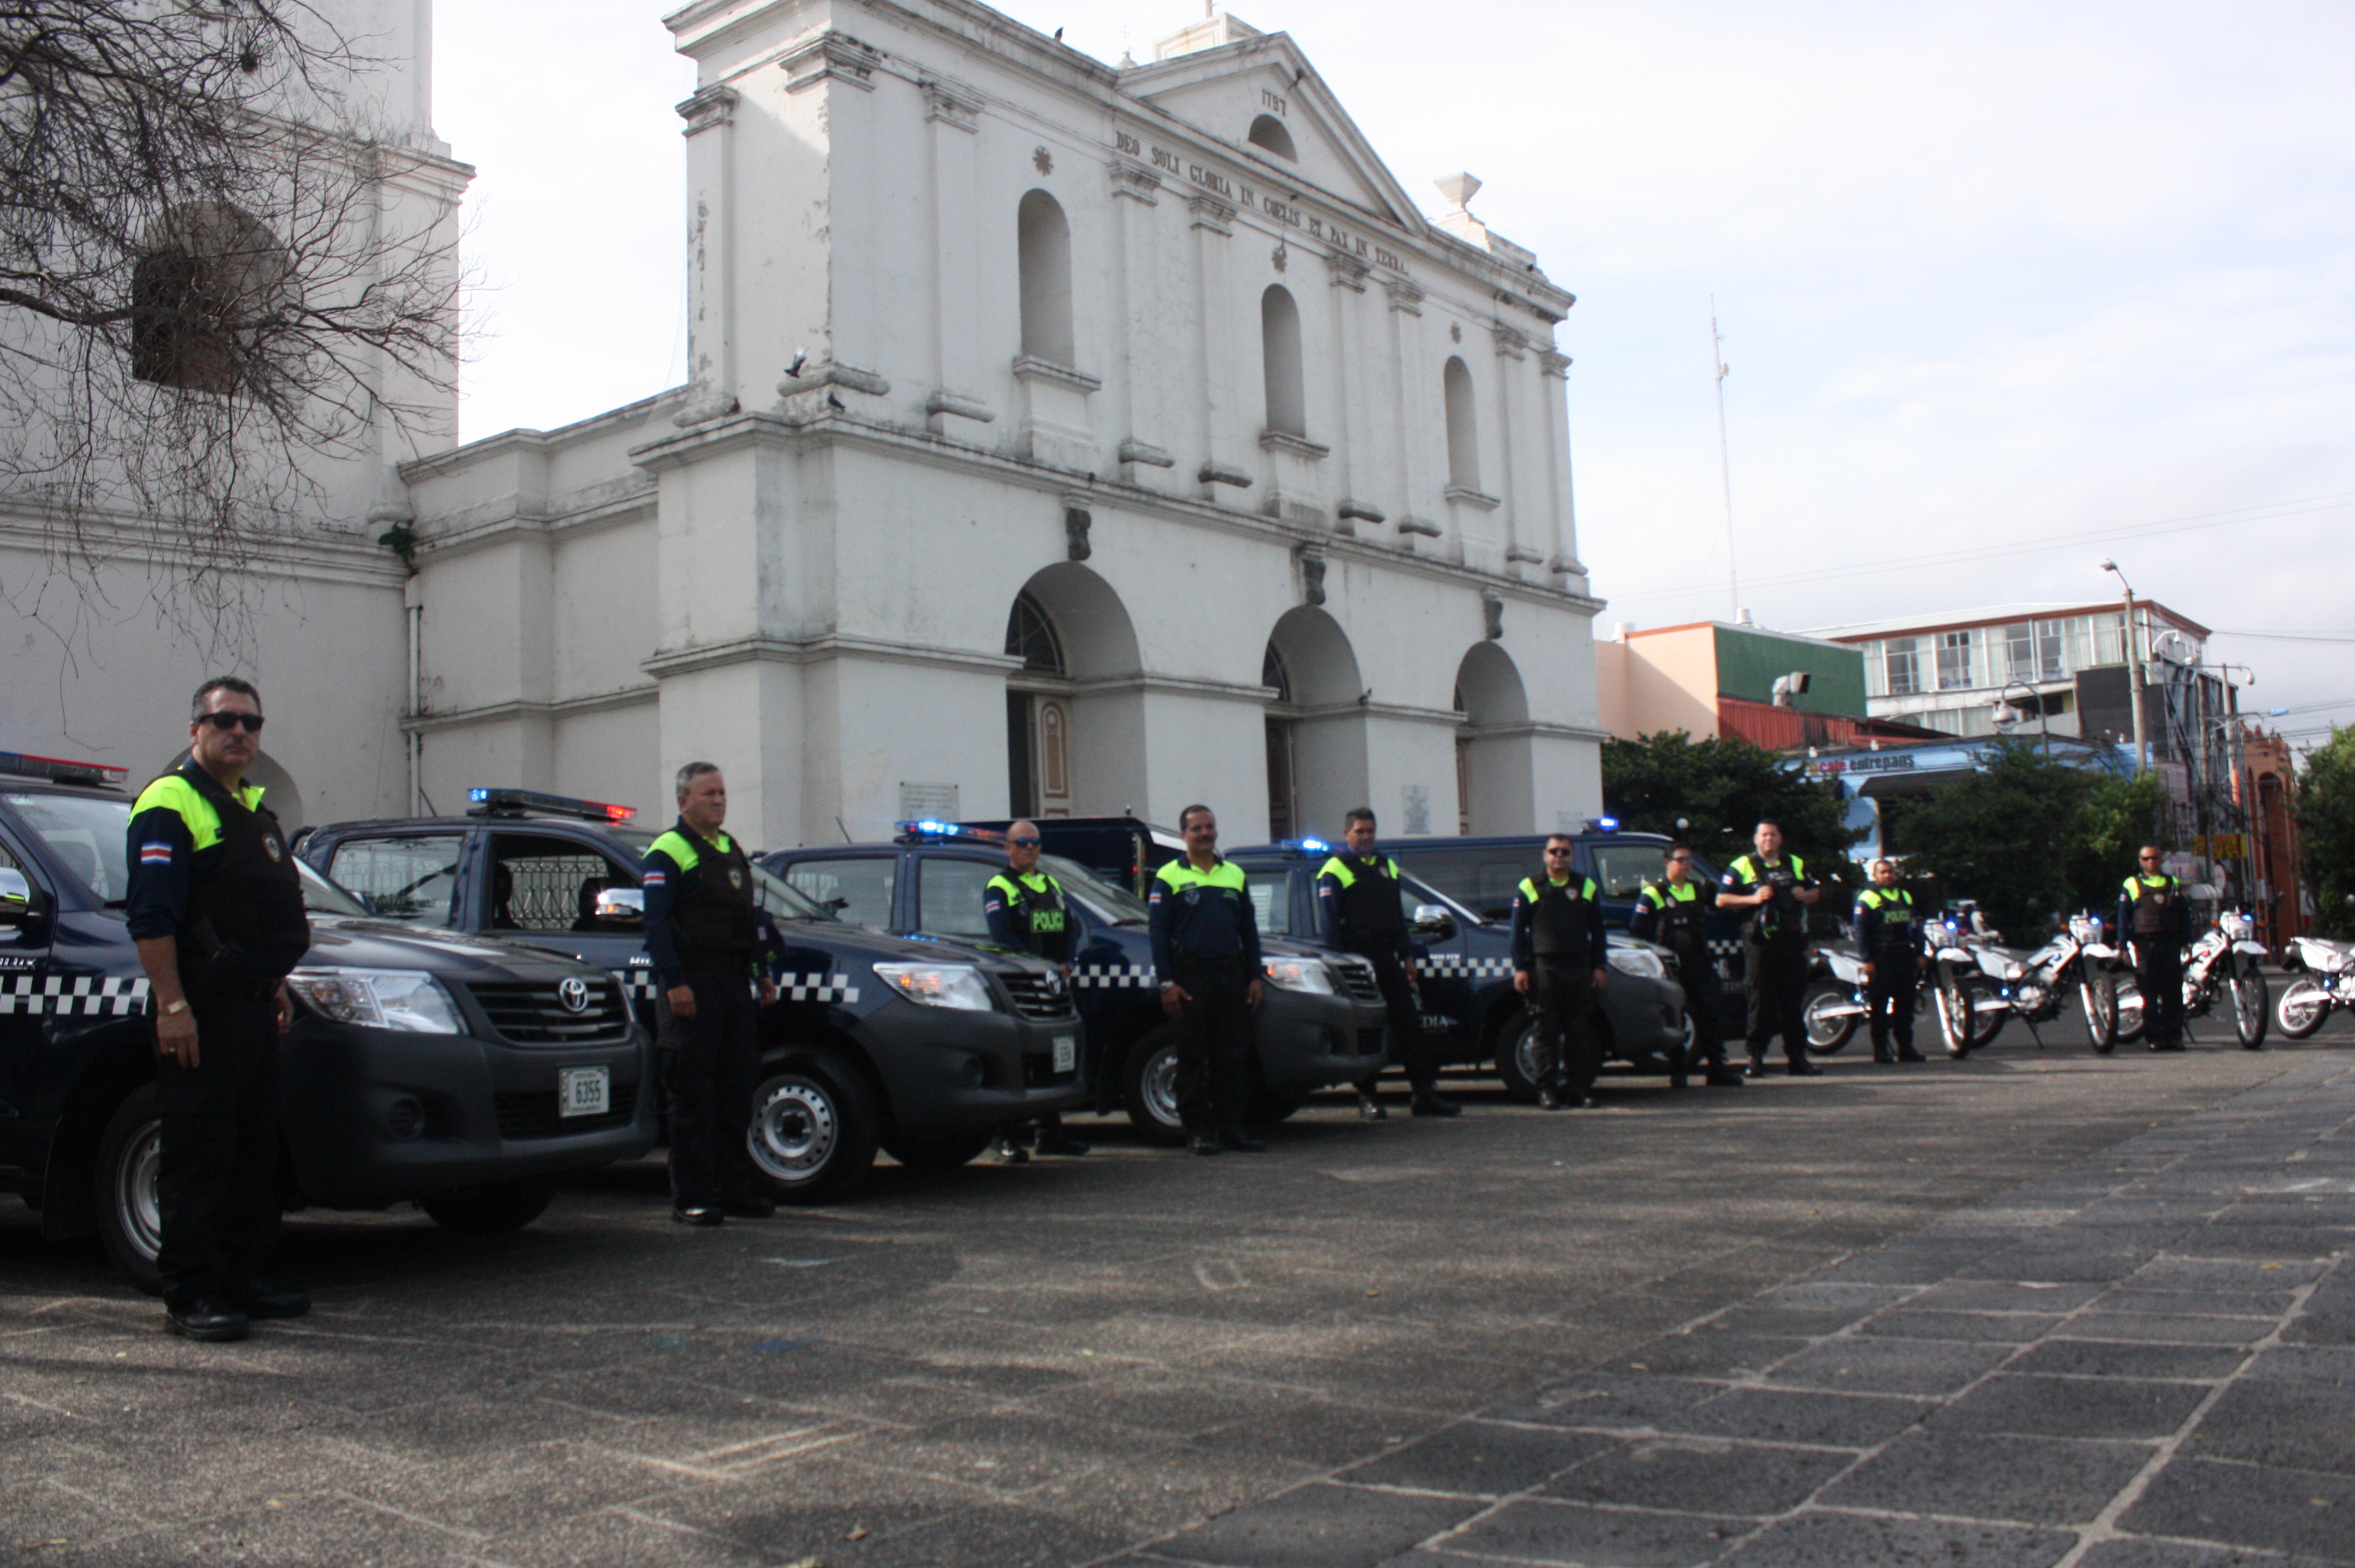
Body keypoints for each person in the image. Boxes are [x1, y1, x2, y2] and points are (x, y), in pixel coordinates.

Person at [125, 677, 313, 1341]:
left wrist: (277, 986)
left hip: (255, 1008)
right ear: (195, 730)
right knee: (199, 1154)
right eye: (225, 720)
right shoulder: (169, 801)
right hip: (201, 1009)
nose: (240, 732)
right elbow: (151, 917)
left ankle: (241, 1278)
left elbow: (261, 916)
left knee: (252, 1153)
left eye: (251, 722)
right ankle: (192, 1292)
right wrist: (172, 1005)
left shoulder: (255, 810)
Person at [641, 762, 779, 1225]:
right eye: (708, 795)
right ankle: (692, 1196)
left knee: (736, 1091)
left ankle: (734, 1189)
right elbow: (657, 924)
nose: (719, 801)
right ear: (683, 801)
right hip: (692, 984)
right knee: (693, 1094)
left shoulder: (729, 848)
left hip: (732, 983)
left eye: (722, 793)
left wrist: (760, 971)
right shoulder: (669, 850)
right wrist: (675, 981)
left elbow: (747, 919)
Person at [1316, 808, 1460, 1119]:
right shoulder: (1335, 869)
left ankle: (1424, 1095)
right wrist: (1342, 966)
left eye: (1370, 831)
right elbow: (1330, 925)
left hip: (1388, 958)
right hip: (1357, 961)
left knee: (1409, 1027)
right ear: (1347, 834)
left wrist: (1407, 954)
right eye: (1359, 832)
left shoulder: (1386, 866)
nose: (1366, 837)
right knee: (1365, 1031)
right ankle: (1368, 1098)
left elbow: (1397, 915)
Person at [1150, 805, 1264, 1155]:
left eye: (1209, 827)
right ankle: (1198, 1131)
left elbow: (1249, 929)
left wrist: (1255, 977)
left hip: (1231, 975)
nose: (1205, 833)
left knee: (1232, 1056)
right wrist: (1167, 982)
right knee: (1193, 1057)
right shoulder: (1168, 876)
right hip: (1191, 977)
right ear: (1183, 836)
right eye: (1196, 828)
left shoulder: (1234, 875)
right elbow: (1157, 932)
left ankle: (1232, 1128)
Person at [984, 821, 1088, 1159]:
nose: (1030, 847)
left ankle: (1051, 1134)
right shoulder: (999, 886)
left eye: (1035, 842)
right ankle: (1005, 1136)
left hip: (1054, 983)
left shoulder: (1049, 883)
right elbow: (1002, 937)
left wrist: (1067, 962)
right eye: (1022, 842)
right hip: (1021, 987)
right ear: (1008, 848)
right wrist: (1036, 966)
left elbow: (1069, 927)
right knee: (1017, 1059)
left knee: (1055, 1057)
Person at [1509, 835, 1608, 1110]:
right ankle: (1547, 1090)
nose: (1559, 856)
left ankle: (1579, 1090)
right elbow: (1517, 933)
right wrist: (1520, 968)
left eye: (1565, 851)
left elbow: (1598, 931)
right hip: (1545, 969)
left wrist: (1600, 966)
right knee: (1545, 1032)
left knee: (1579, 1033)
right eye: (1554, 851)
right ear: (1545, 855)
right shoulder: (1530, 886)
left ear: (1572, 856)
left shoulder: (1585, 886)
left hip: (1579, 968)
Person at [1717, 820, 1823, 1078]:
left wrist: (1806, 895)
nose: (1769, 839)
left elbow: (1816, 891)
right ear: (1756, 839)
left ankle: (1797, 1059)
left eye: (1773, 835)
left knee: (1792, 1003)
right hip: (1761, 943)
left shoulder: (1794, 863)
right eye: (1764, 835)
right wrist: (1753, 899)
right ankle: (1755, 1058)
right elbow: (1722, 899)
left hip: (1791, 942)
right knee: (1760, 1001)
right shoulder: (1742, 866)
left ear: (1780, 838)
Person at [1632, 843, 1741, 1088]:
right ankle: (1679, 1070)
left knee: (1710, 1016)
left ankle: (1717, 1069)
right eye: (1680, 860)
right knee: (1677, 1019)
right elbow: (1638, 930)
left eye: (1689, 860)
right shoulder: (1654, 894)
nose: (1686, 865)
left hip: (1699, 964)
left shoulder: (1699, 889)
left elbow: (1722, 906)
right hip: (1672, 967)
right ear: (1667, 863)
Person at [1853, 858, 1925, 1064]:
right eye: (1883, 872)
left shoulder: (1904, 896)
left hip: (1904, 955)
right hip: (1881, 958)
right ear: (1874, 876)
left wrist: (1920, 953)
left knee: (1905, 1007)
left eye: (1890, 871)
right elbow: (1861, 932)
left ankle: (1906, 1048)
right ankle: (1881, 1050)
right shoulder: (1867, 898)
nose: (1888, 875)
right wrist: (1867, 960)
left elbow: (1914, 927)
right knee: (1880, 1008)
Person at [2119, 843, 2189, 1052]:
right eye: (2146, 858)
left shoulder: (2172, 882)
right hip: (2145, 945)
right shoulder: (2132, 884)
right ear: (2140, 861)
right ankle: (2154, 1038)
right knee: (2148, 994)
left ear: (2160, 859)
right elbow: (2123, 917)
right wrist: (2123, 946)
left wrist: (2187, 942)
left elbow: (2184, 914)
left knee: (2173, 993)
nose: (2151, 862)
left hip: (2170, 943)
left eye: (2154, 858)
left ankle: (2174, 1038)